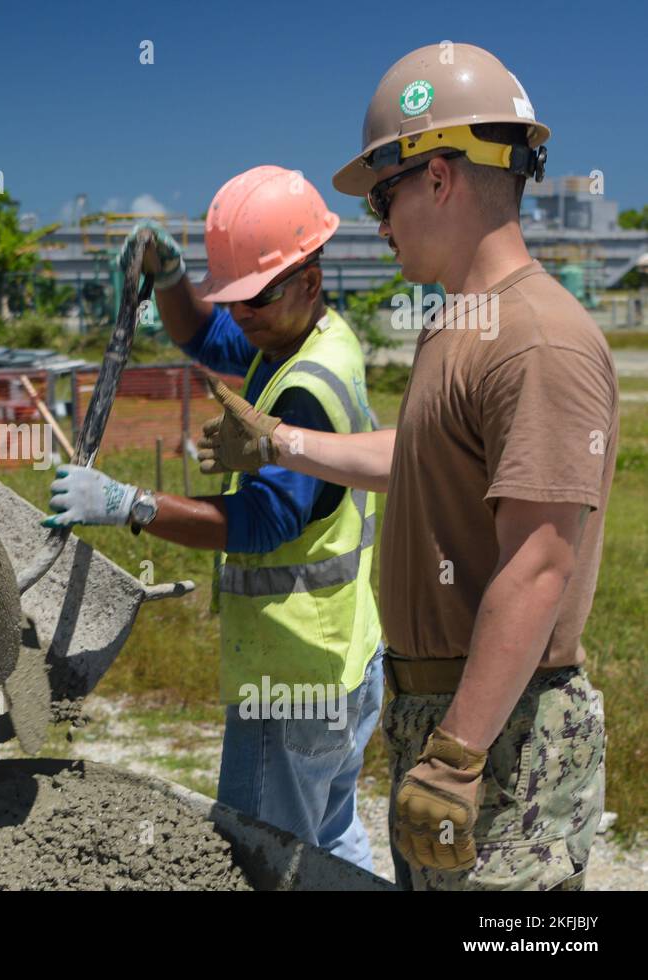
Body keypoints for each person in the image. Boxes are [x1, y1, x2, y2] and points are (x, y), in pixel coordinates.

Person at [204, 44, 613, 890]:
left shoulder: (537, 337)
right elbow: (421, 460)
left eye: (383, 196)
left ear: (438, 178)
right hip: (447, 708)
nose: (378, 224)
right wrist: (283, 443)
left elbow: (539, 564)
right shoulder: (458, 323)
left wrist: (460, 756)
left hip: (501, 727)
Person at [44, 166, 383, 869]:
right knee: (330, 838)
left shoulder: (306, 393)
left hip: (293, 678)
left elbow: (257, 522)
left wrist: (129, 504)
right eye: (237, 297)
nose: (243, 315)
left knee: (265, 858)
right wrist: (170, 278)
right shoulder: (298, 336)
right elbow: (204, 335)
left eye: (253, 299)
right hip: (345, 656)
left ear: (309, 282)